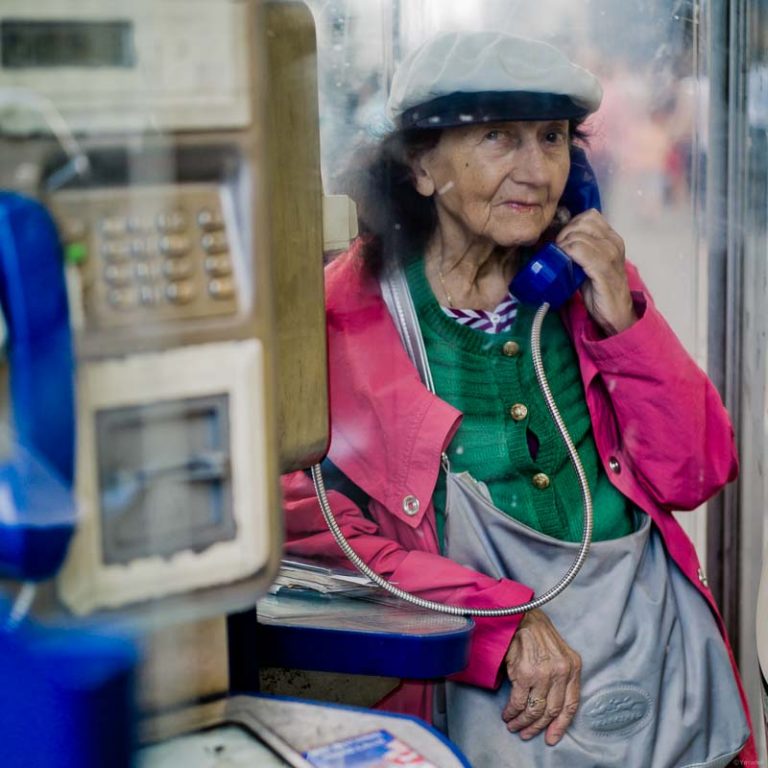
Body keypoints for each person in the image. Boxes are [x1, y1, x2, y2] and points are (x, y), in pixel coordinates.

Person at [282, 31, 756, 767]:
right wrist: (492, 622)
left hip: (656, 668)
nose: (537, 172)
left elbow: (697, 472)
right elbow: (315, 534)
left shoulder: (587, 291)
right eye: (499, 136)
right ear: (422, 166)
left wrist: (625, 324)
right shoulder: (345, 319)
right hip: (494, 702)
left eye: (553, 137)